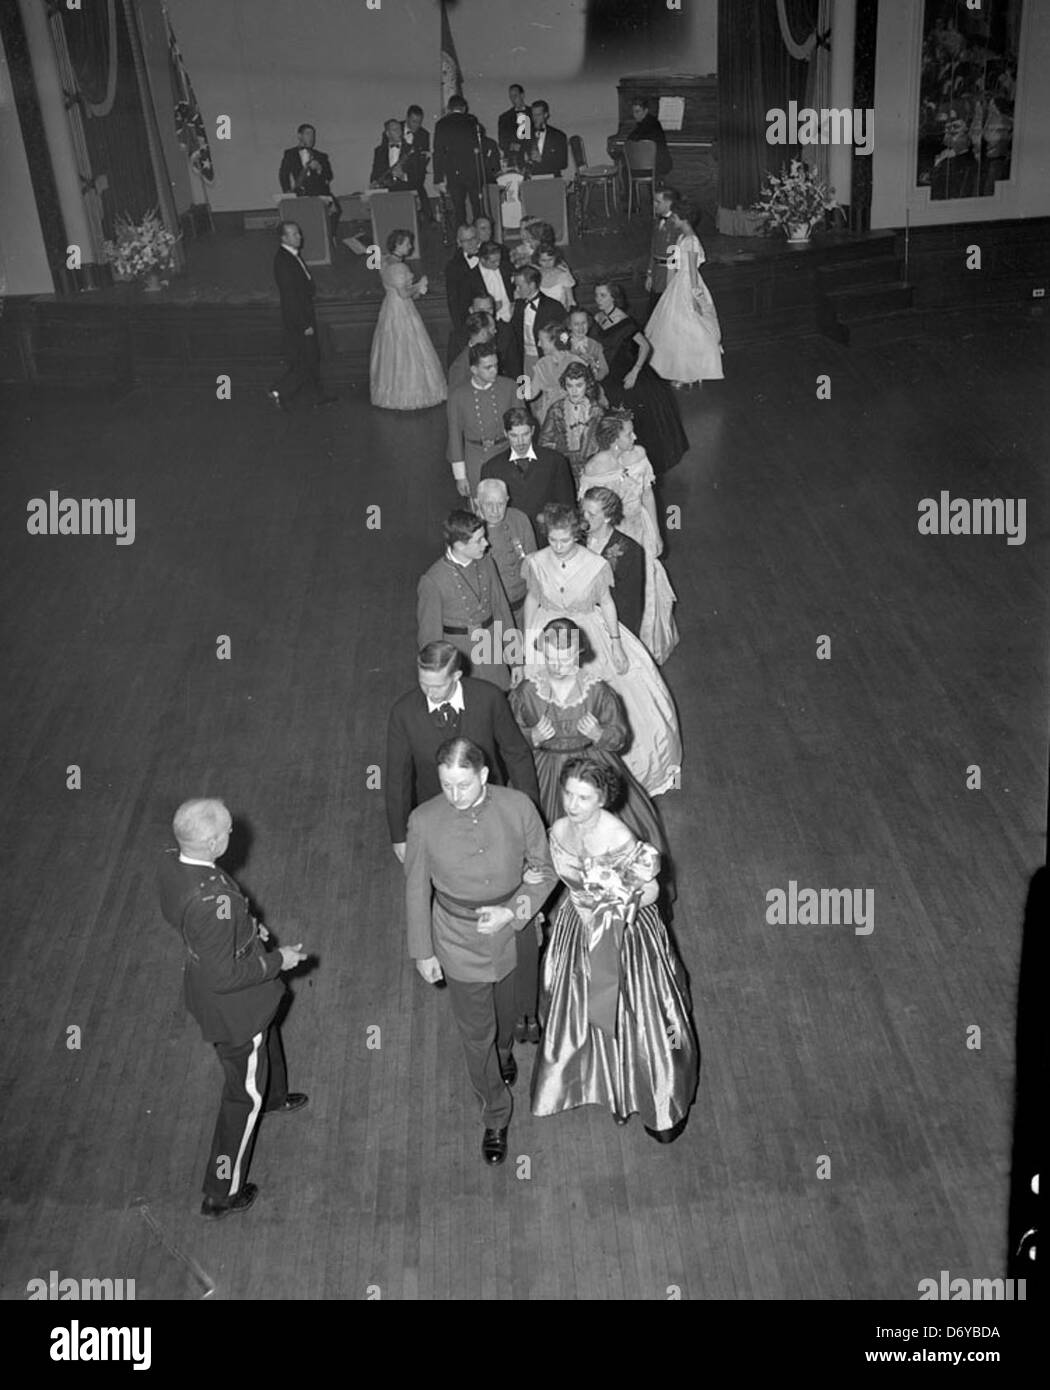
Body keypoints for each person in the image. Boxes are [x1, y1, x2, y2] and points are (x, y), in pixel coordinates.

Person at [405, 738, 557, 1164]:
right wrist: (423, 952)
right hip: (457, 940)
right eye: (446, 786)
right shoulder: (423, 821)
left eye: (464, 785)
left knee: (506, 1019)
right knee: (476, 1035)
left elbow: (545, 870)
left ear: (484, 775)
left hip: (512, 935)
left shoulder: (518, 806)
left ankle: (503, 1054)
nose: (454, 796)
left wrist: (513, 911)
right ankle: (495, 1112)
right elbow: (415, 888)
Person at [530, 757, 698, 1138]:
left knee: (641, 1017)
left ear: (602, 799)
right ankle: (600, 1085)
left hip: (624, 937)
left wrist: (624, 901)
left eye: (583, 797)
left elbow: (651, 889)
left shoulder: (620, 837)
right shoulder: (557, 829)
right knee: (579, 1008)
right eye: (568, 794)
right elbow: (551, 875)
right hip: (577, 930)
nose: (572, 805)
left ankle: (660, 1098)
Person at [157, 799, 309, 1218]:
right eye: (226, 832)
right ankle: (222, 1191)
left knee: (267, 1037)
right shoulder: (210, 900)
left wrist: (244, 928)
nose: (231, 836)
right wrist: (278, 961)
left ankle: (273, 1095)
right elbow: (223, 977)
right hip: (235, 1009)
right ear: (211, 843)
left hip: (240, 995)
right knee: (242, 1098)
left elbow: (200, 922)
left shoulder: (173, 863)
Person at [521, 503, 681, 795]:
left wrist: (616, 643)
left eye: (565, 540)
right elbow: (532, 599)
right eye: (553, 540)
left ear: (577, 535)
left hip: (588, 630)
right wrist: (527, 640)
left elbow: (606, 602)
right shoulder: (536, 561)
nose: (558, 547)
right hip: (548, 633)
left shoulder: (594, 564)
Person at [510, 620, 669, 857]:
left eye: (566, 660)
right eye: (551, 659)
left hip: (592, 766)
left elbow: (619, 737)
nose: (558, 667)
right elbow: (508, 740)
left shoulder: (597, 691)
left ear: (579, 654)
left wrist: (599, 734)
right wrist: (531, 736)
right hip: (543, 770)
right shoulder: (526, 692)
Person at [385, 641, 539, 856]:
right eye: (424, 684)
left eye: (438, 686)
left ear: (457, 675)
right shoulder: (404, 713)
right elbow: (397, 778)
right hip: (438, 815)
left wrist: (528, 810)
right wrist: (399, 836)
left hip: (491, 810)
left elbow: (516, 755)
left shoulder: (489, 698)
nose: (430, 693)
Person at [579, 409, 679, 663]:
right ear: (614, 439)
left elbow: (647, 494)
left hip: (640, 528)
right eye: (628, 433)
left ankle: (648, 648)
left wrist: (657, 533)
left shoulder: (639, 454)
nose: (634, 437)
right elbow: (590, 512)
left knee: (646, 585)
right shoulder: (595, 467)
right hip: (613, 534)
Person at [417, 509, 521, 691]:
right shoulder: (433, 580)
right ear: (459, 545)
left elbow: (501, 611)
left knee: (499, 697)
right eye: (479, 540)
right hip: (460, 656)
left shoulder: (487, 562)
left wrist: (516, 660)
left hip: (491, 649)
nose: (486, 543)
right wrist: (439, 680)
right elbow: (430, 637)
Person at [592, 280, 687, 475]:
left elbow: (645, 346)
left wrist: (635, 371)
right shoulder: (598, 317)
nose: (598, 300)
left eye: (603, 295)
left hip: (627, 371)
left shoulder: (625, 321)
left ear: (613, 297)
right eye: (596, 295)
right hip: (607, 372)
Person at [645, 202, 723, 389]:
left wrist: (696, 297)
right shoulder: (681, 237)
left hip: (688, 285)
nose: (672, 219)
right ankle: (677, 368)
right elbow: (673, 262)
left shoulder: (692, 241)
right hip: (679, 282)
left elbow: (693, 273)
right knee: (675, 328)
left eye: (675, 217)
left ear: (684, 219)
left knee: (689, 328)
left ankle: (689, 372)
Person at [369, 229, 446, 410]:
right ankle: (410, 394)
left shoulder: (384, 261)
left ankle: (392, 392)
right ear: (397, 245)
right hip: (401, 309)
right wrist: (420, 285)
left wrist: (417, 289)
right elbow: (404, 294)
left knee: (393, 349)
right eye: (407, 243)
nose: (410, 247)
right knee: (408, 348)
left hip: (389, 307)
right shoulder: (399, 267)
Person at [268, 221, 335, 412]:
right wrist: (304, 323)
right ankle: (279, 391)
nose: (299, 237)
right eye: (294, 234)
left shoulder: (290, 256)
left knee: (309, 359)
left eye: (298, 233)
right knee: (305, 360)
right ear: (283, 238)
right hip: (299, 319)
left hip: (302, 315)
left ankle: (317, 395)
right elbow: (291, 296)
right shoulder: (283, 260)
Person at [446, 345, 518, 497]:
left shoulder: (510, 387)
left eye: (496, 365)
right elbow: (455, 437)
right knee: (479, 502)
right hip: (476, 458)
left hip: (506, 454)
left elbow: (521, 425)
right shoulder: (458, 396)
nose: (494, 370)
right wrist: (460, 476)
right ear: (474, 369)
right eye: (488, 367)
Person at [481, 406, 575, 522]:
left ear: (533, 431)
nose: (520, 442)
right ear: (505, 433)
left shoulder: (556, 461)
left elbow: (567, 507)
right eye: (514, 436)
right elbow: (488, 513)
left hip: (548, 530)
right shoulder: (491, 468)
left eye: (525, 434)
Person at [580, 486, 645, 641]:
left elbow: (631, 604)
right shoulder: (574, 539)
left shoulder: (630, 550)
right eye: (583, 511)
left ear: (607, 518)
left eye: (591, 514)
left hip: (610, 626)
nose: (584, 518)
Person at [475, 476, 536, 626]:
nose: (495, 511)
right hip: (494, 614)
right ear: (477, 502)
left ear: (507, 500)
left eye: (501, 504)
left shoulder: (519, 519)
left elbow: (533, 562)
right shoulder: (469, 529)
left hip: (525, 604)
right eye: (489, 504)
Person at [540, 360, 605, 482]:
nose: (574, 391)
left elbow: (604, 442)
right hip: (564, 466)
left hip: (591, 466)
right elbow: (545, 441)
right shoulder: (557, 410)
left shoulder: (597, 411)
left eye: (579, 385)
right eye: (570, 386)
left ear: (587, 385)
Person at [278, 123, 341, 240]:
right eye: (308, 134)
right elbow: (283, 175)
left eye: (313, 134)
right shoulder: (290, 154)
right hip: (300, 192)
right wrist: (287, 192)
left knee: (336, 210)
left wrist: (319, 169)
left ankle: (330, 237)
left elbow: (329, 176)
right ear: (299, 136)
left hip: (319, 192)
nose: (312, 138)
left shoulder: (321, 156)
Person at [434, 94, 484, 227]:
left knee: (459, 210)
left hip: (453, 173)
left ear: (449, 108)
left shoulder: (441, 124)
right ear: (464, 108)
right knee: (477, 208)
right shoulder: (472, 120)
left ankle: (461, 236)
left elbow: (438, 152)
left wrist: (438, 178)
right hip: (474, 172)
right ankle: (481, 236)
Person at [507, 265, 564, 381]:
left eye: (519, 286)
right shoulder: (519, 305)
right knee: (526, 388)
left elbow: (563, 336)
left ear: (532, 285)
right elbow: (514, 332)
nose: (516, 290)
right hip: (524, 357)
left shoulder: (553, 307)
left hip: (547, 357)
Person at [529, 321, 582, 427]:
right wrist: (513, 388)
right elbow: (531, 393)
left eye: (541, 341)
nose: (539, 344)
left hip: (574, 415)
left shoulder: (575, 361)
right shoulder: (542, 364)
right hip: (550, 417)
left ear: (553, 341)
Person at [444, 224, 486, 329]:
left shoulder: (488, 256)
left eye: (473, 238)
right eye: (465, 240)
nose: (470, 243)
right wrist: (459, 327)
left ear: (478, 238)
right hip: (469, 320)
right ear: (459, 242)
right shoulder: (453, 266)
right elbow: (453, 300)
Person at [645, 187, 679, 315]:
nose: (654, 204)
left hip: (669, 274)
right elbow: (653, 249)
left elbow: (677, 253)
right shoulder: (657, 221)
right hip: (657, 273)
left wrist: (673, 277)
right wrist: (649, 273)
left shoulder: (677, 224)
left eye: (657, 202)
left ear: (668, 203)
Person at [626, 97, 673, 177]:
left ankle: (632, 185)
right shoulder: (651, 122)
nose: (634, 115)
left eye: (637, 111)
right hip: (656, 163)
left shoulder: (649, 125)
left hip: (657, 165)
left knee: (626, 170)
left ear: (646, 111)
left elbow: (634, 139)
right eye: (633, 112)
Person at [403, 104, 433, 219]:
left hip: (416, 176)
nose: (417, 125)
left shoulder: (424, 134)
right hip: (398, 178)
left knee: (423, 204)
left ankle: (429, 220)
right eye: (414, 121)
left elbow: (424, 156)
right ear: (407, 118)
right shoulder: (395, 128)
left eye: (419, 122)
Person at [525, 100, 568, 177]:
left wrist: (542, 160)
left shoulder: (558, 136)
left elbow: (563, 164)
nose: (535, 118)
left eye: (538, 115)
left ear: (546, 115)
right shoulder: (526, 134)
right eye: (533, 115)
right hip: (532, 178)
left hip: (552, 178)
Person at [566, 307, 609, 385]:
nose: (581, 328)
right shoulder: (564, 344)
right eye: (576, 324)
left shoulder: (595, 345)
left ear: (588, 323)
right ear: (569, 325)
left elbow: (604, 369)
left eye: (584, 323)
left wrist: (593, 377)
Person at [370, 118, 411, 190]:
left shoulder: (410, 149)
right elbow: (375, 172)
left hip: (406, 191)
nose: (399, 132)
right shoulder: (379, 151)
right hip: (385, 192)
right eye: (395, 130)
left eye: (400, 129)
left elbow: (418, 176)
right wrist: (374, 182)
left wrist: (403, 176)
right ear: (388, 134)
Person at [477, 240, 514, 322]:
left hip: (511, 317)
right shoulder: (472, 277)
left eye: (499, 260)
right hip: (489, 321)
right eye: (493, 262)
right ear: (482, 260)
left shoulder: (507, 267)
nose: (497, 264)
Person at [498, 83, 531, 165]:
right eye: (511, 97)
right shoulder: (504, 117)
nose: (513, 99)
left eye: (515, 96)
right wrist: (511, 145)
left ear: (522, 95)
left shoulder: (534, 114)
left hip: (533, 158)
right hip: (514, 159)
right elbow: (502, 142)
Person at [536, 245, 575, 311]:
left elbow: (570, 301)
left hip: (560, 312)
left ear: (555, 259)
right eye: (543, 260)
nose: (547, 263)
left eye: (550, 259)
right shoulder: (535, 275)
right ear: (538, 260)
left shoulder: (563, 275)